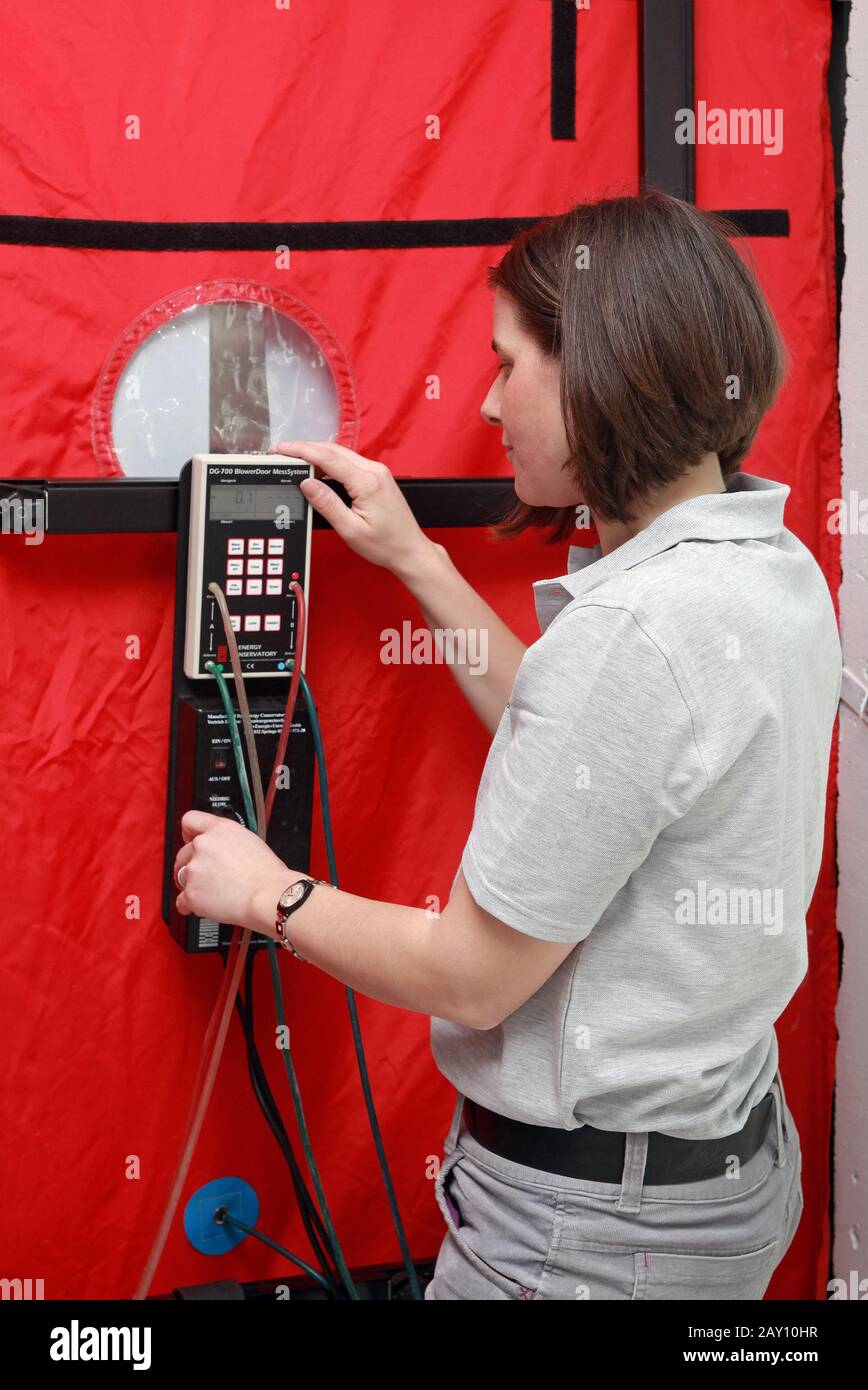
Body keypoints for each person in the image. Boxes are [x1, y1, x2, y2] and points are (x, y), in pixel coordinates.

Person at [173, 190, 842, 1301]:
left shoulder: (633, 633)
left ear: (594, 377)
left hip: (581, 1240)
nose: (484, 404)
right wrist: (419, 561)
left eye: (504, 365)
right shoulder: (766, 565)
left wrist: (267, 894)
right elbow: (596, 750)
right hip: (724, 1174)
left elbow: (476, 976)